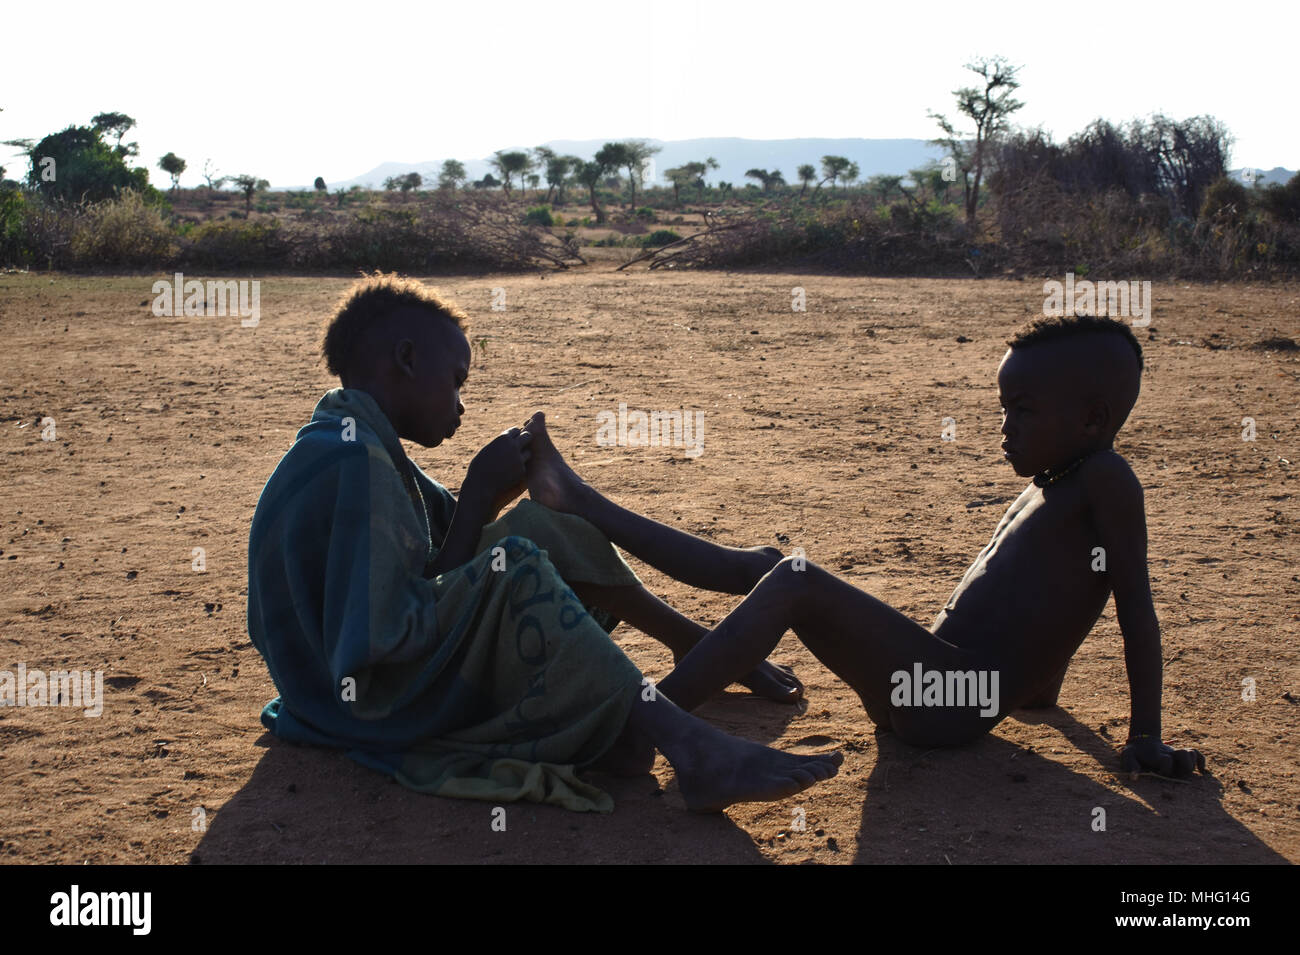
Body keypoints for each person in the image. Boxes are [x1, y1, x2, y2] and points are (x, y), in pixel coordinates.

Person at [246, 272, 837, 813]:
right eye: (456, 381)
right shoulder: (353, 460)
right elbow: (395, 629)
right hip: (364, 700)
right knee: (517, 565)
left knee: (540, 527)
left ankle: (688, 643)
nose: (461, 404)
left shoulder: (357, 441)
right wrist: (478, 496)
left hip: (383, 673)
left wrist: (490, 502)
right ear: (406, 359)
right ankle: (691, 748)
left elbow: (441, 566)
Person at [586, 314, 1205, 779]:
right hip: (932, 690)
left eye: (1022, 411)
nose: (1004, 427)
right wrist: (1039, 690)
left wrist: (1144, 738)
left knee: (795, 580)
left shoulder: (1105, 478)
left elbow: (1135, 609)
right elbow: (1052, 595)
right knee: (774, 568)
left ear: (1092, 420)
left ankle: (640, 728)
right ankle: (592, 511)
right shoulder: (1058, 478)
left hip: (949, 701)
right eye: (1003, 408)